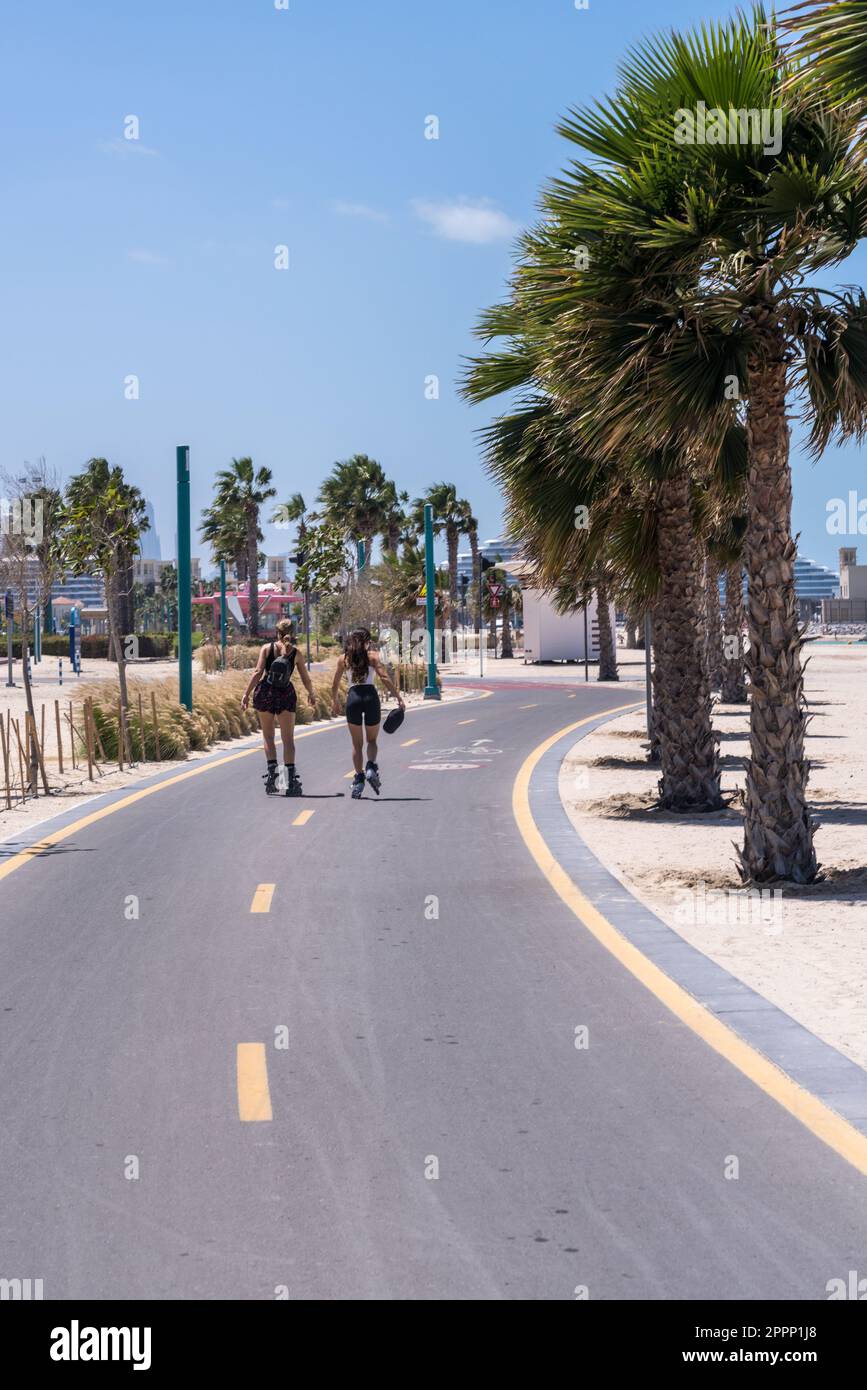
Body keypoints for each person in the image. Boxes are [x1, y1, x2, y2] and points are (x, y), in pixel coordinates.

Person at [242, 619, 316, 795]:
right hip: (285, 694)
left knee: (268, 737)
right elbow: (306, 678)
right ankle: (289, 782)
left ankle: (273, 780)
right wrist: (311, 693)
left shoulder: (267, 649)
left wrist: (246, 693)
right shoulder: (296, 653)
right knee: (288, 740)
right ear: (293, 632)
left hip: (265, 693)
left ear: (277, 632)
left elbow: (258, 672)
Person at [331, 629, 404, 799]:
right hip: (371, 698)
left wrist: (334, 700)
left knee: (357, 745)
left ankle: (359, 779)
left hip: (353, 698)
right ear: (368, 642)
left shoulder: (344, 659)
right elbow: (384, 678)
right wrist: (398, 697)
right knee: (371, 740)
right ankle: (371, 767)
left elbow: (335, 682)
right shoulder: (372, 657)